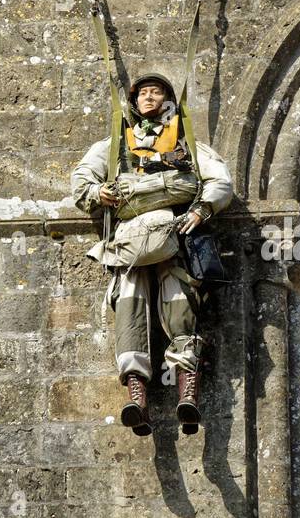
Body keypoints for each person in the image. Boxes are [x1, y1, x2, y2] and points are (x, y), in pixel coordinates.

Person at [70, 67, 233, 435]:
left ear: (167, 100)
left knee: (180, 301)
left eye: (156, 91)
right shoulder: (115, 145)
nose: (148, 96)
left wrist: (201, 209)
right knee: (129, 302)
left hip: (174, 234)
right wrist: (98, 193)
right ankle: (136, 395)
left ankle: (186, 391)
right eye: (143, 92)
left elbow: (220, 180)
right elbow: (81, 179)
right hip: (129, 240)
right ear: (133, 100)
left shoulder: (186, 142)